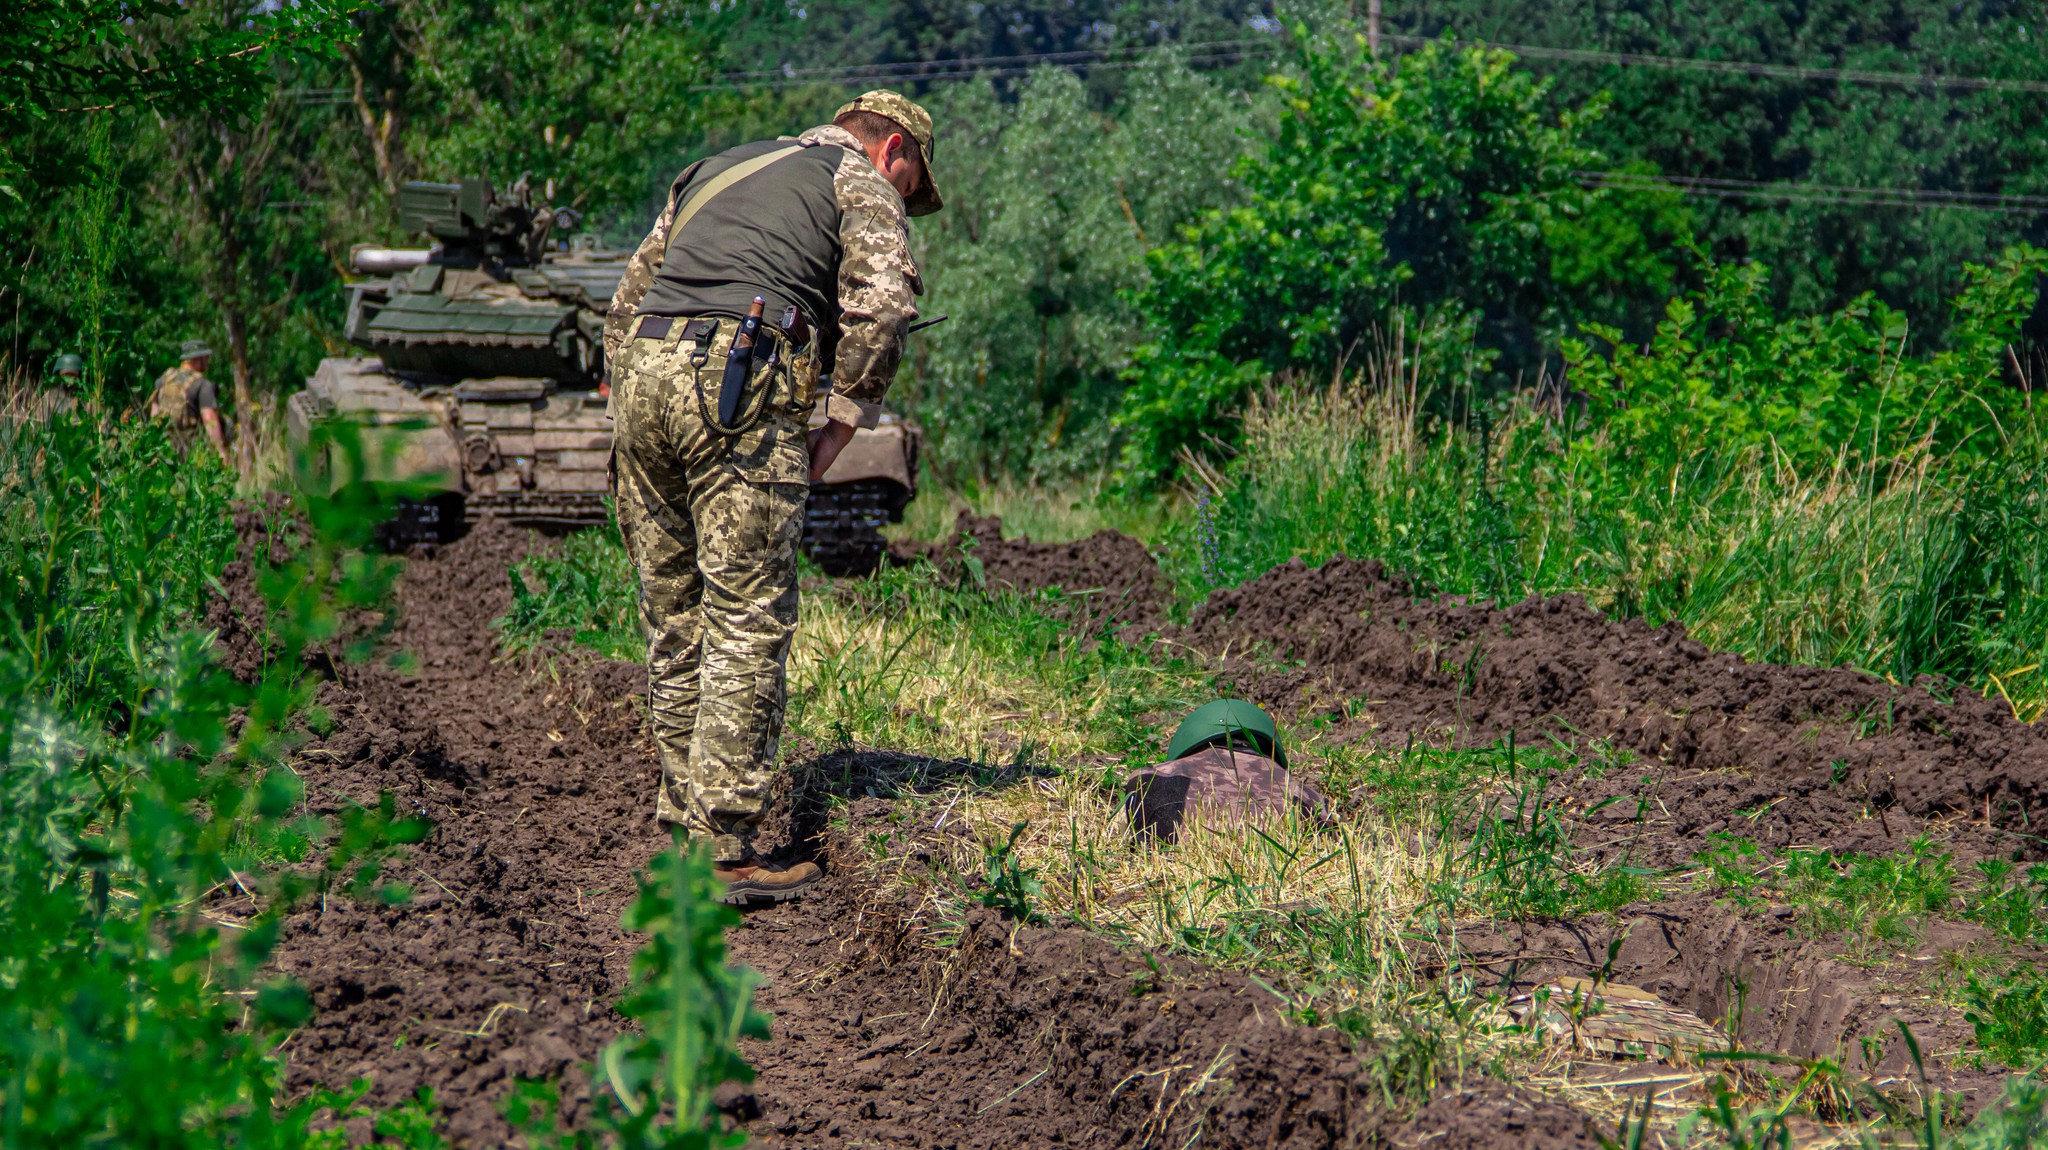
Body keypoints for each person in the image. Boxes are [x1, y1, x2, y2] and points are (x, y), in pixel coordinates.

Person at [605, 90, 941, 904]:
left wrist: (629, 395)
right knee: (746, 615)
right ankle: (724, 852)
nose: (903, 200)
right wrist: (845, 419)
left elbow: (626, 301)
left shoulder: (717, 168)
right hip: (736, 376)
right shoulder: (856, 180)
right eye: (911, 186)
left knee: (674, 613)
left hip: (644, 377)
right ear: (892, 148)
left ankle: (683, 825)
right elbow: (885, 306)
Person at [148, 339, 230, 463]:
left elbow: (154, 414)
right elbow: (209, 419)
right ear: (197, 359)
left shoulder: (165, 379)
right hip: (190, 446)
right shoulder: (202, 384)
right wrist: (221, 451)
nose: (208, 361)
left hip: (164, 445)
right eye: (205, 357)